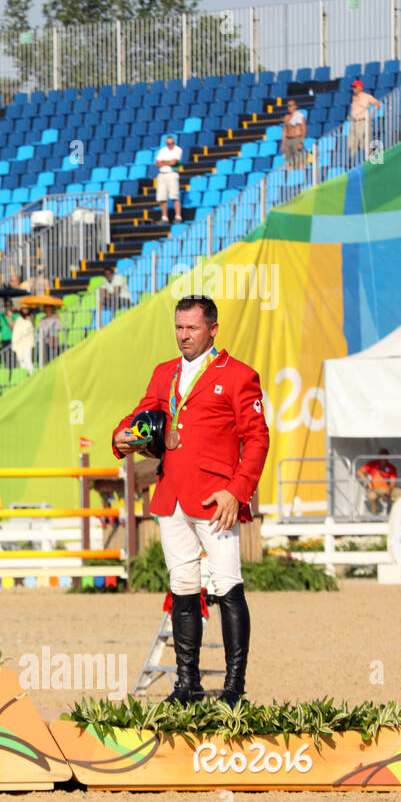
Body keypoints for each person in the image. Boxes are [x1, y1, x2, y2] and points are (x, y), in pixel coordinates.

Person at [113, 295, 269, 707]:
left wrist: (237, 491)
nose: (183, 336)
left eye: (192, 328)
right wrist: (121, 438)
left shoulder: (238, 375)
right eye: (179, 328)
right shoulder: (163, 373)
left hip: (218, 500)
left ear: (212, 329)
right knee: (182, 589)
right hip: (172, 497)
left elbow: (257, 439)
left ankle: (234, 688)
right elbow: (140, 417)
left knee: (228, 587)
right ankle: (188, 686)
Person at [347, 79, 382, 162]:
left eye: (355, 87)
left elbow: (378, 104)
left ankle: (367, 159)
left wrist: (371, 115)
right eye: (353, 87)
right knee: (352, 143)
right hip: (354, 122)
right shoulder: (354, 98)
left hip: (362, 121)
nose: (354, 89)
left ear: (360, 87)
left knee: (364, 142)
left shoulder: (367, 97)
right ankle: (352, 161)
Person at [358, 449, 401, 515]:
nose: (383, 458)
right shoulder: (372, 464)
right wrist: (368, 482)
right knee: (371, 496)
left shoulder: (392, 467)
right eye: (382, 455)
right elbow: (359, 472)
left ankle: (392, 514)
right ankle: (375, 515)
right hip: (374, 489)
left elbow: (393, 483)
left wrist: (388, 490)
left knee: (399, 493)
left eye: (385, 456)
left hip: (386, 488)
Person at [154, 135, 183, 224]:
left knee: (174, 196)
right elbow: (157, 163)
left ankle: (178, 216)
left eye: (172, 143)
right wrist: (168, 162)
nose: (170, 145)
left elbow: (174, 162)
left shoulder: (178, 149)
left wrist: (163, 162)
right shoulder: (163, 150)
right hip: (162, 174)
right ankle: (164, 217)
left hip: (172, 174)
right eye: (168, 143)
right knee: (162, 197)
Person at [282, 98, 307, 170]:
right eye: (288, 106)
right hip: (288, 139)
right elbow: (284, 131)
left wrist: (301, 142)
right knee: (289, 161)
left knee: (299, 160)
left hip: (296, 138)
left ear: (295, 106)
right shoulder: (286, 117)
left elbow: (303, 129)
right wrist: (283, 144)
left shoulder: (299, 116)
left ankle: (301, 175)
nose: (289, 107)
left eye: (291, 105)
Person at [11, 305, 36, 371]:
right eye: (23, 309)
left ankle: (32, 375)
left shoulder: (30, 317)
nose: (25, 310)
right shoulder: (19, 318)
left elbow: (28, 326)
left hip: (27, 343)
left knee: (28, 360)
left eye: (26, 309)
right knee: (21, 362)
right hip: (19, 343)